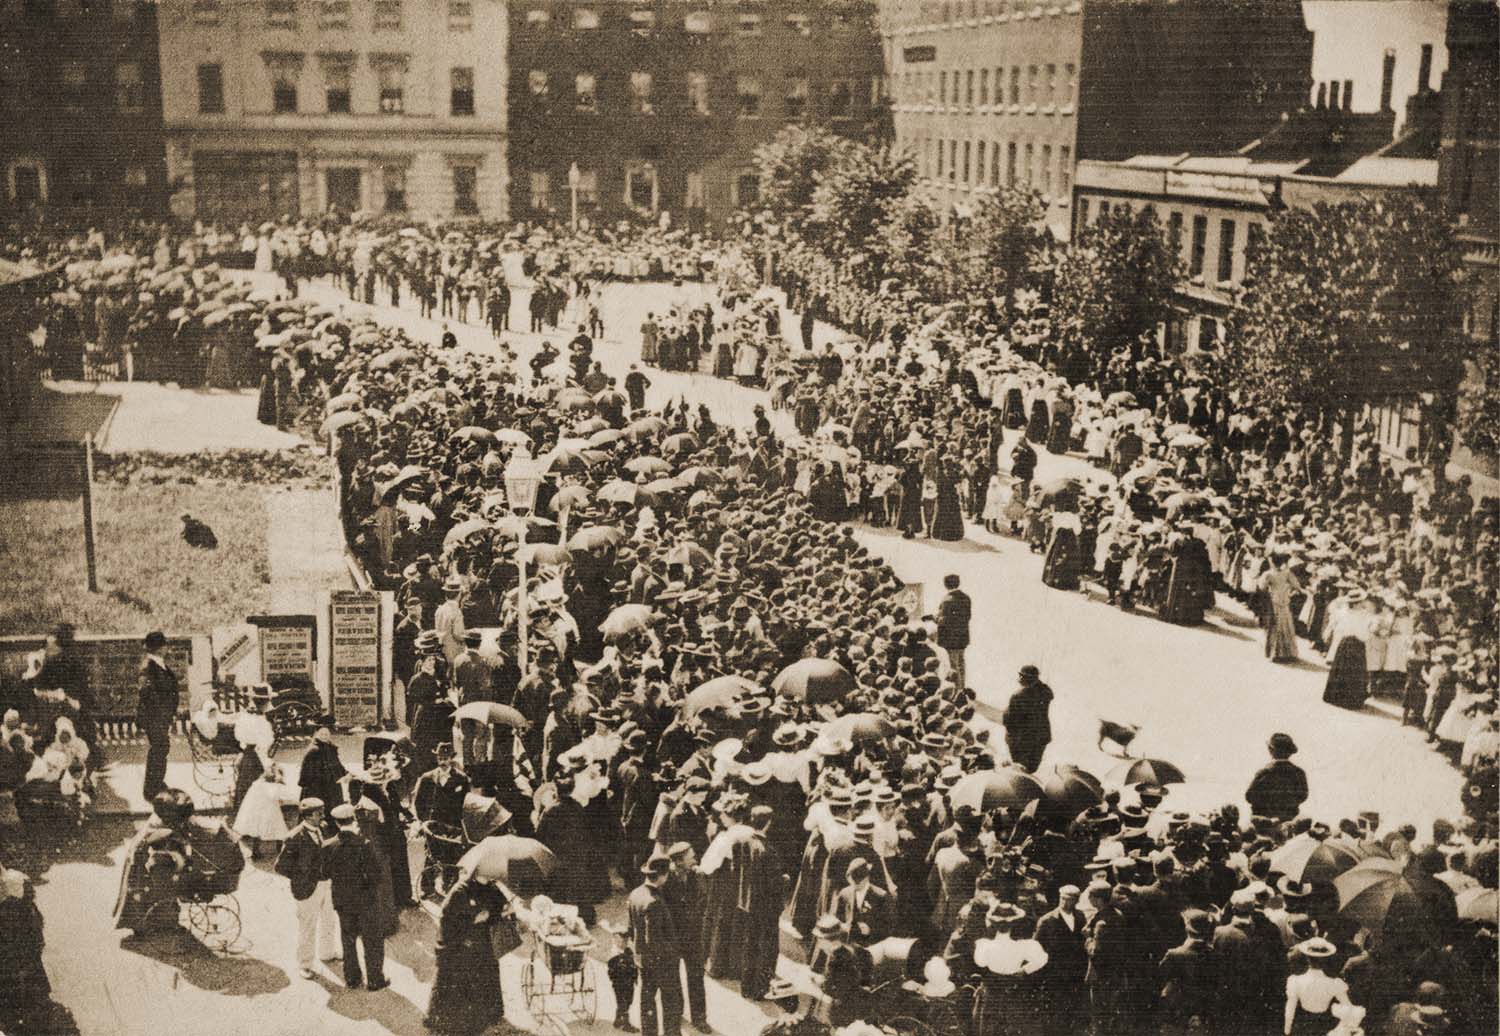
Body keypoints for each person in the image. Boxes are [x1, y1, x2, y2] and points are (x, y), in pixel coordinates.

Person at [425, 868, 509, 1035]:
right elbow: (447, 921)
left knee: (486, 973)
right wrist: (473, 920)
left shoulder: (492, 888)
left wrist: (498, 912)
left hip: (483, 944)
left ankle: (487, 1014)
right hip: (460, 947)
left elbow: (499, 907)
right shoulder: (460, 891)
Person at [275, 797, 340, 979]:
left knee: (328, 920)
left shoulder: (322, 828)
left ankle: (327, 952)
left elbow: (320, 849)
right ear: (309, 816)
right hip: (307, 888)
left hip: (325, 883)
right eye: (319, 813)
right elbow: (280, 867)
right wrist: (303, 876)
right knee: (308, 927)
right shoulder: (294, 837)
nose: (323, 816)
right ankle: (305, 964)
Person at [326, 803, 388, 990]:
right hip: (366, 901)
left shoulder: (328, 845)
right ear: (353, 820)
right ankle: (375, 980)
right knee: (372, 940)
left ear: (337, 823)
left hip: (342, 901)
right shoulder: (364, 844)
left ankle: (352, 979)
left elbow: (325, 871)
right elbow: (377, 874)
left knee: (348, 939)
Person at [628, 852, 683, 1036]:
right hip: (661, 961)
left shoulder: (635, 894)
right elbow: (655, 940)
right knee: (671, 1002)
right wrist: (674, 951)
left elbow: (632, 928)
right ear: (662, 875)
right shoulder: (655, 902)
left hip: (643, 958)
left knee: (647, 1000)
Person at [664, 842, 711, 1033]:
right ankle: (676, 1013)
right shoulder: (666, 880)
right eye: (691, 855)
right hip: (673, 937)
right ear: (679, 861)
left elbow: (703, 901)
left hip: (693, 936)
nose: (695, 858)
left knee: (696, 977)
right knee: (672, 978)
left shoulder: (697, 876)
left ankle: (699, 1018)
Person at [1033, 884, 1088, 1036]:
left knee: (1073, 1016)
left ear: (1076, 901)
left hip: (1075, 976)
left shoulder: (1081, 917)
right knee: (1054, 1016)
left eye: (1069, 900)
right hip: (1054, 978)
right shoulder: (1047, 921)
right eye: (1062, 899)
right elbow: (1036, 948)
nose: (1064, 903)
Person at [136, 631, 179, 801]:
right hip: (155, 717)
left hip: (160, 716)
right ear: (161, 648)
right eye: (164, 645)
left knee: (161, 749)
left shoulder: (158, 663)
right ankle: (152, 789)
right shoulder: (148, 666)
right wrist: (162, 715)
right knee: (159, 750)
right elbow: (147, 693)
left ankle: (156, 783)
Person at [1284, 938, 1350, 1035]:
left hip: (1303, 1026)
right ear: (1325, 960)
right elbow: (1348, 1008)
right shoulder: (1334, 983)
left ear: (1307, 959)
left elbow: (1290, 1008)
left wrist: (1287, 1030)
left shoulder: (1296, 981)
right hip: (1325, 1027)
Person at [1245, 733, 1308, 822]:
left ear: (1271, 750)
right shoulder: (1299, 773)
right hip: (1290, 821)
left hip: (1265, 824)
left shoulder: (1264, 772)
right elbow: (1303, 796)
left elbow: (1249, 796)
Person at [1003, 665, 1053, 773]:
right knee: (1031, 769)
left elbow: (1009, 722)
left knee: (1020, 769)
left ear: (1028, 678)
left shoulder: (1017, 696)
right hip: (1040, 738)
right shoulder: (1045, 692)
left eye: (1022, 676)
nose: (1019, 678)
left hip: (1021, 741)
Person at [1260, 551, 1301, 663]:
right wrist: (1289, 591)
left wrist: (1270, 588)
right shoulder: (1287, 573)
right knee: (1286, 625)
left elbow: (1261, 587)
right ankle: (1288, 653)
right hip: (1285, 601)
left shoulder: (1268, 574)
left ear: (1272, 562)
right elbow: (1297, 586)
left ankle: (1274, 653)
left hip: (1274, 601)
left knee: (1274, 626)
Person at [935, 574, 971, 695]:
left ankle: (957, 690)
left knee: (953, 665)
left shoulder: (947, 600)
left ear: (946, 585)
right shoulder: (966, 597)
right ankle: (962, 686)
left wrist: (933, 618)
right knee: (961, 663)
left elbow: (943, 620)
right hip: (963, 636)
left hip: (950, 639)